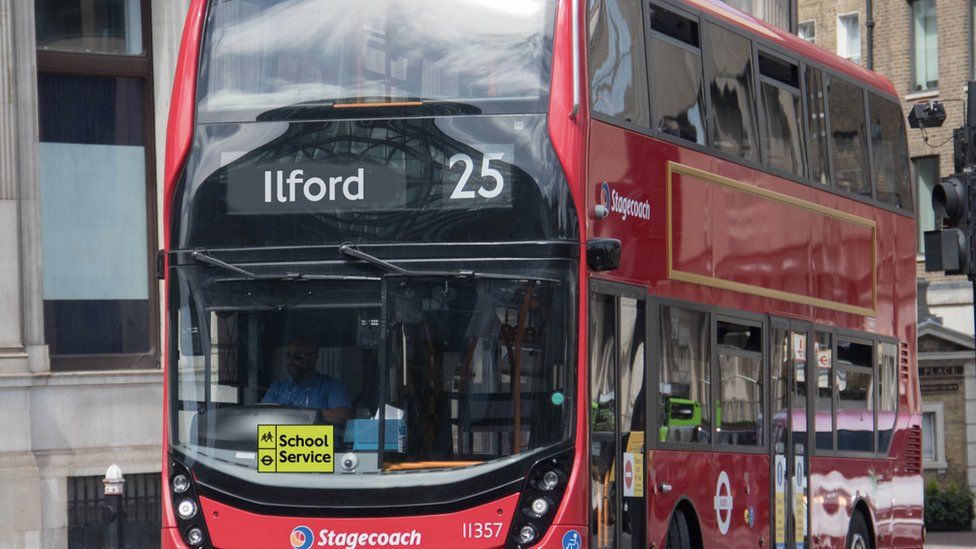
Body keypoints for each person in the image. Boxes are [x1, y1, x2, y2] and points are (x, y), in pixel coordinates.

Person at [262, 337, 352, 425]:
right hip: (281, 439)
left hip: (317, 439)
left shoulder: (332, 386)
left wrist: (303, 414)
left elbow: (342, 415)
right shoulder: (277, 388)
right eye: (288, 356)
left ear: (313, 358)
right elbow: (261, 415)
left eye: (298, 356)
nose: (291, 361)